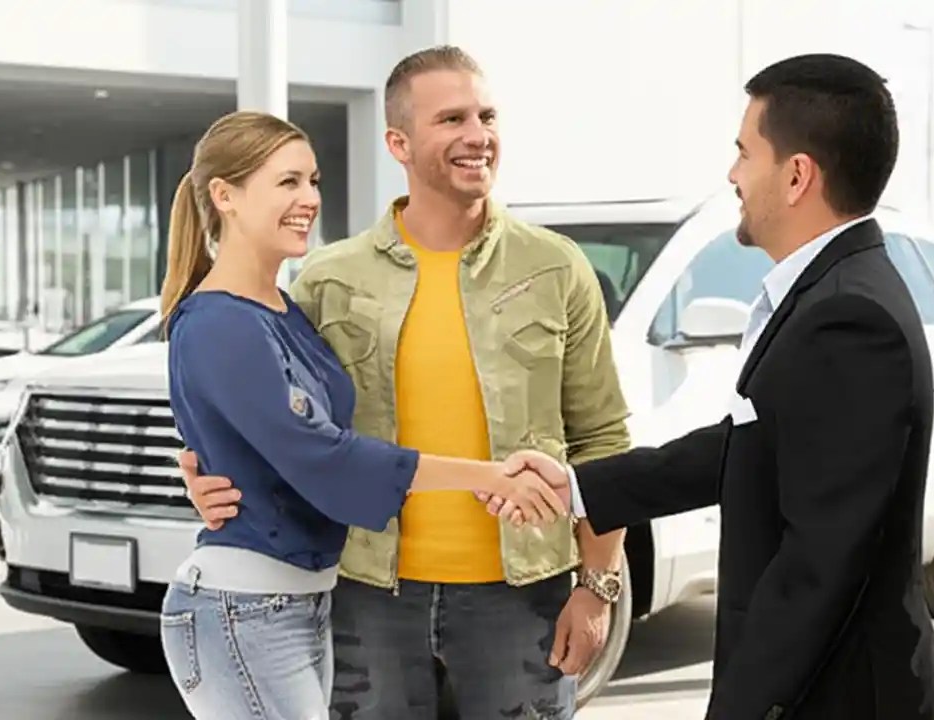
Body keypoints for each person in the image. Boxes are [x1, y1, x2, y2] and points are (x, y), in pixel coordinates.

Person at [178, 46, 632, 719]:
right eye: (451, 119)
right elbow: (269, 415)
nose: (477, 135)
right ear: (399, 143)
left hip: (521, 595)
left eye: (486, 116)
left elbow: (603, 438)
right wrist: (202, 472)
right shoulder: (330, 279)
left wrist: (599, 587)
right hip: (367, 595)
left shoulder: (556, 268)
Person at [502, 54, 934, 720]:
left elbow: (820, 564)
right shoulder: (828, 294)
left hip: (839, 697)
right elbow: (743, 449)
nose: (732, 174)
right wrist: (577, 487)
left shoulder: (850, 317)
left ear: (797, 176)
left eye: (744, 153)